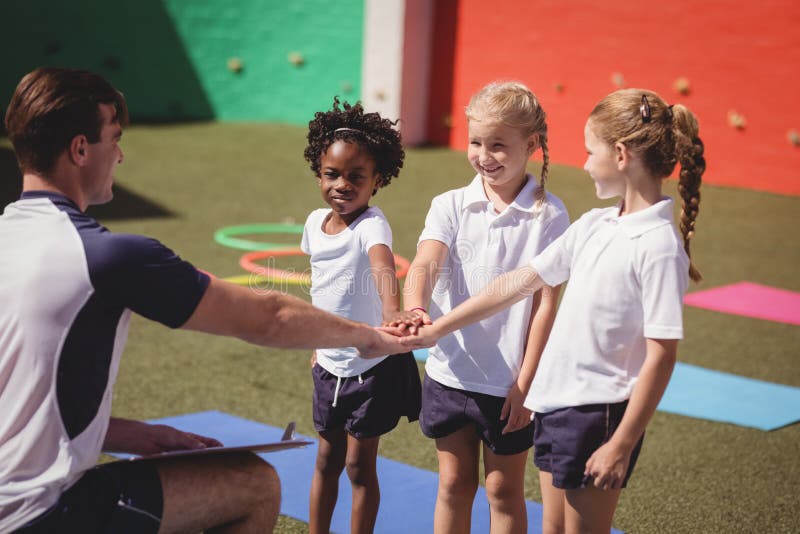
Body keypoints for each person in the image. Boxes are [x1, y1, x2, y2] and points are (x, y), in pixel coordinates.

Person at [0, 67, 408, 534]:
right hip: (38, 514)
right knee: (253, 483)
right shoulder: (110, 255)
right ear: (79, 149)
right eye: (114, 139)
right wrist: (368, 337)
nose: (121, 154)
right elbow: (269, 317)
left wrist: (133, 434)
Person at [397, 88, 705, 533]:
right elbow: (518, 282)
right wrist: (435, 326)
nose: (581, 163)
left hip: (596, 413)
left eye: (588, 151)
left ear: (620, 154)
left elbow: (661, 354)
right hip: (556, 405)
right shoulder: (596, 224)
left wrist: (621, 442)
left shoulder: (656, 246)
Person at [387, 81, 569, 533]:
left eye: (498, 145)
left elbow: (546, 307)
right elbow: (427, 261)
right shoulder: (450, 204)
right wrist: (414, 307)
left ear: (531, 146)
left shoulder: (550, 216)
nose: (484, 155)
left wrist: (525, 385)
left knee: (503, 491)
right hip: (449, 373)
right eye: (475, 142)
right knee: (453, 484)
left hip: (509, 384)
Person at [301, 98, 422, 534]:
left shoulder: (372, 224)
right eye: (332, 174)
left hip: (369, 368)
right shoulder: (315, 224)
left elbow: (381, 266)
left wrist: (393, 312)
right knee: (325, 459)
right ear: (319, 173)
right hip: (328, 365)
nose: (342, 185)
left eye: (357, 177)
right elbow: (323, 288)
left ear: (377, 180)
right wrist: (316, 341)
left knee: (357, 465)